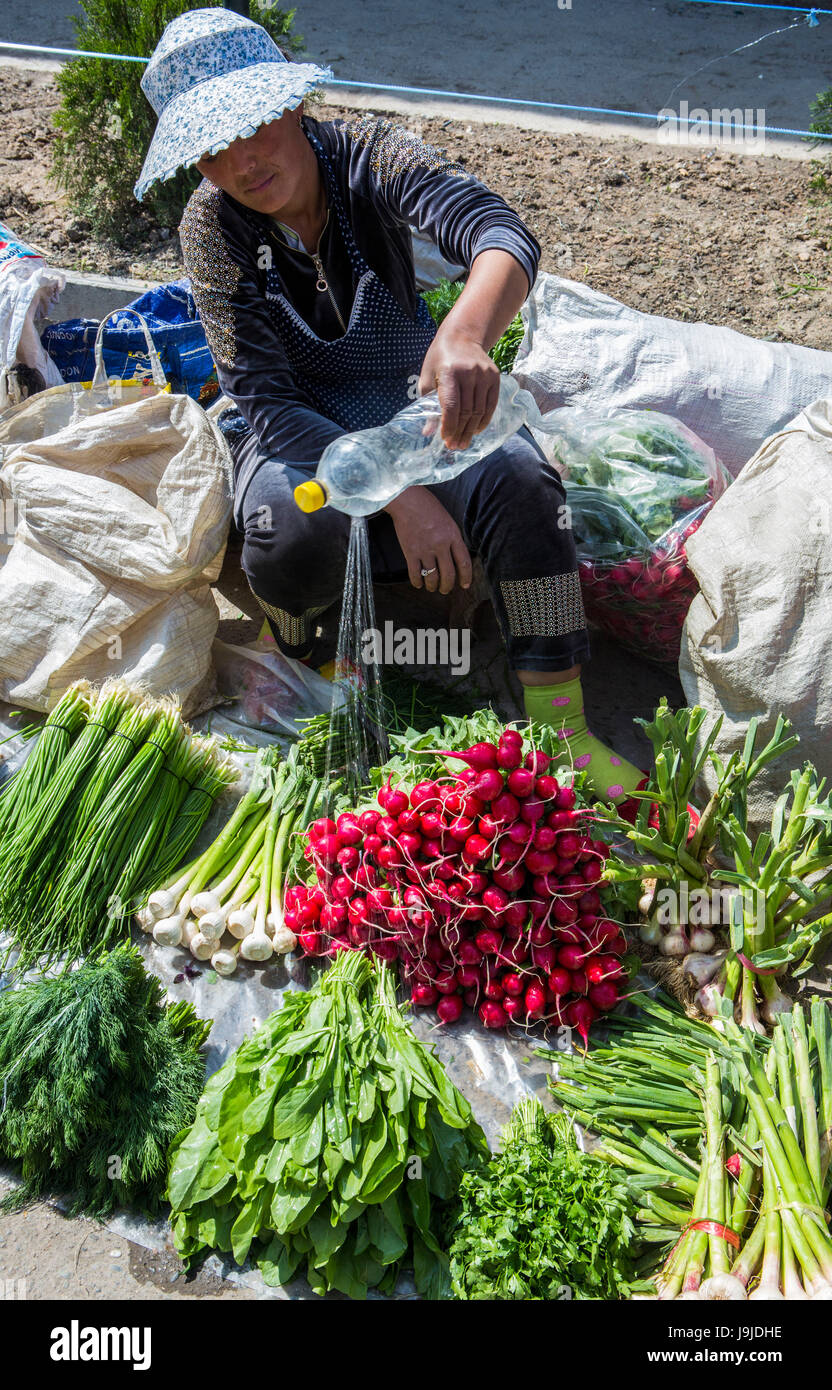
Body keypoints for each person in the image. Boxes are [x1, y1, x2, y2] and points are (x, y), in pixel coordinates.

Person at [135, 6, 643, 803]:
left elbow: (498, 229)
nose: (241, 162)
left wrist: (468, 334)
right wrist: (401, 497)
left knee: (525, 489)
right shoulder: (213, 226)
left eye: (253, 127)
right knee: (279, 532)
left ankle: (562, 721)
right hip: (301, 437)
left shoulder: (367, 155)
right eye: (211, 146)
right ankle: (323, 670)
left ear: (289, 105)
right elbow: (264, 401)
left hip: (415, 419)